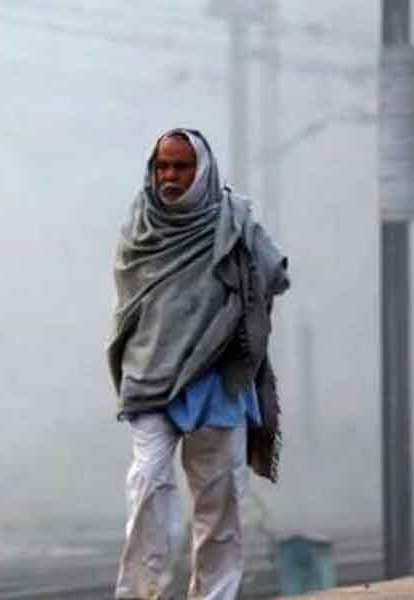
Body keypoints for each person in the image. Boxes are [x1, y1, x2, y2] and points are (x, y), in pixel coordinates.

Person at [107, 129, 290, 599]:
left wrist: (234, 316)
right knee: (147, 485)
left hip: (216, 379)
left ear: (201, 171)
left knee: (219, 500)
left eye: (180, 166)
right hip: (150, 377)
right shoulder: (141, 226)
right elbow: (130, 302)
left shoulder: (235, 220)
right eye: (162, 166)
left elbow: (274, 273)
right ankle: (139, 594)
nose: (169, 176)